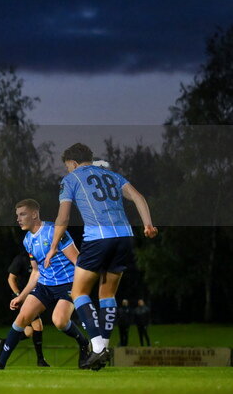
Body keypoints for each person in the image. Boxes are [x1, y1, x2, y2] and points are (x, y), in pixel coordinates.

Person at [44, 143, 158, 371]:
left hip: (98, 239)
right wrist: (148, 224)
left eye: (68, 167)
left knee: (78, 292)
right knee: (107, 293)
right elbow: (138, 197)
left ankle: (97, 347)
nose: (68, 171)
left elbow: (63, 217)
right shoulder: (113, 175)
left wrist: (53, 246)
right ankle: (102, 348)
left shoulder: (71, 179)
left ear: (73, 163)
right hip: (125, 236)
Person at [0, 199, 91, 370]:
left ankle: (83, 343)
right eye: (17, 216)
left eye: (23, 214)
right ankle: (0, 364)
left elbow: (77, 261)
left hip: (68, 284)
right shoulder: (28, 240)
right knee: (22, 318)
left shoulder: (54, 231)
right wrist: (21, 296)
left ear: (34, 214)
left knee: (59, 321)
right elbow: (36, 272)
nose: (18, 219)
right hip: (44, 285)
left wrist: (82, 288)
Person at [3, 250, 49, 366]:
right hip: (23, 298)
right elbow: (11, 278)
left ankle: (4, 343)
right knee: (38, 325)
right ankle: (40, 360)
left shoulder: (41, 258)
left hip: (34, 297)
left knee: (29, 332)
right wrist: (18, 295)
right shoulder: (20, 259)